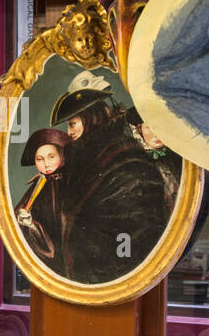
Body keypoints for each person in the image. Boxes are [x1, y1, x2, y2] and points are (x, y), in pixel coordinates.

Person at [48, 78, 169, 284]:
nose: (69, 133)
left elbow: (138, 230)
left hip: (114, 273)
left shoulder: (124, 158)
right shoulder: (86, 159)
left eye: (72, 124)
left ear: (90, 119)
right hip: (87, 271)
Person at [14, 128, 70, 275]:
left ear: (61, 156)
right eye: (40, 159)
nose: (46, 164)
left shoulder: (70, 182)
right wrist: (27, 223)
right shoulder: (39, 184)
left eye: (51, 157)